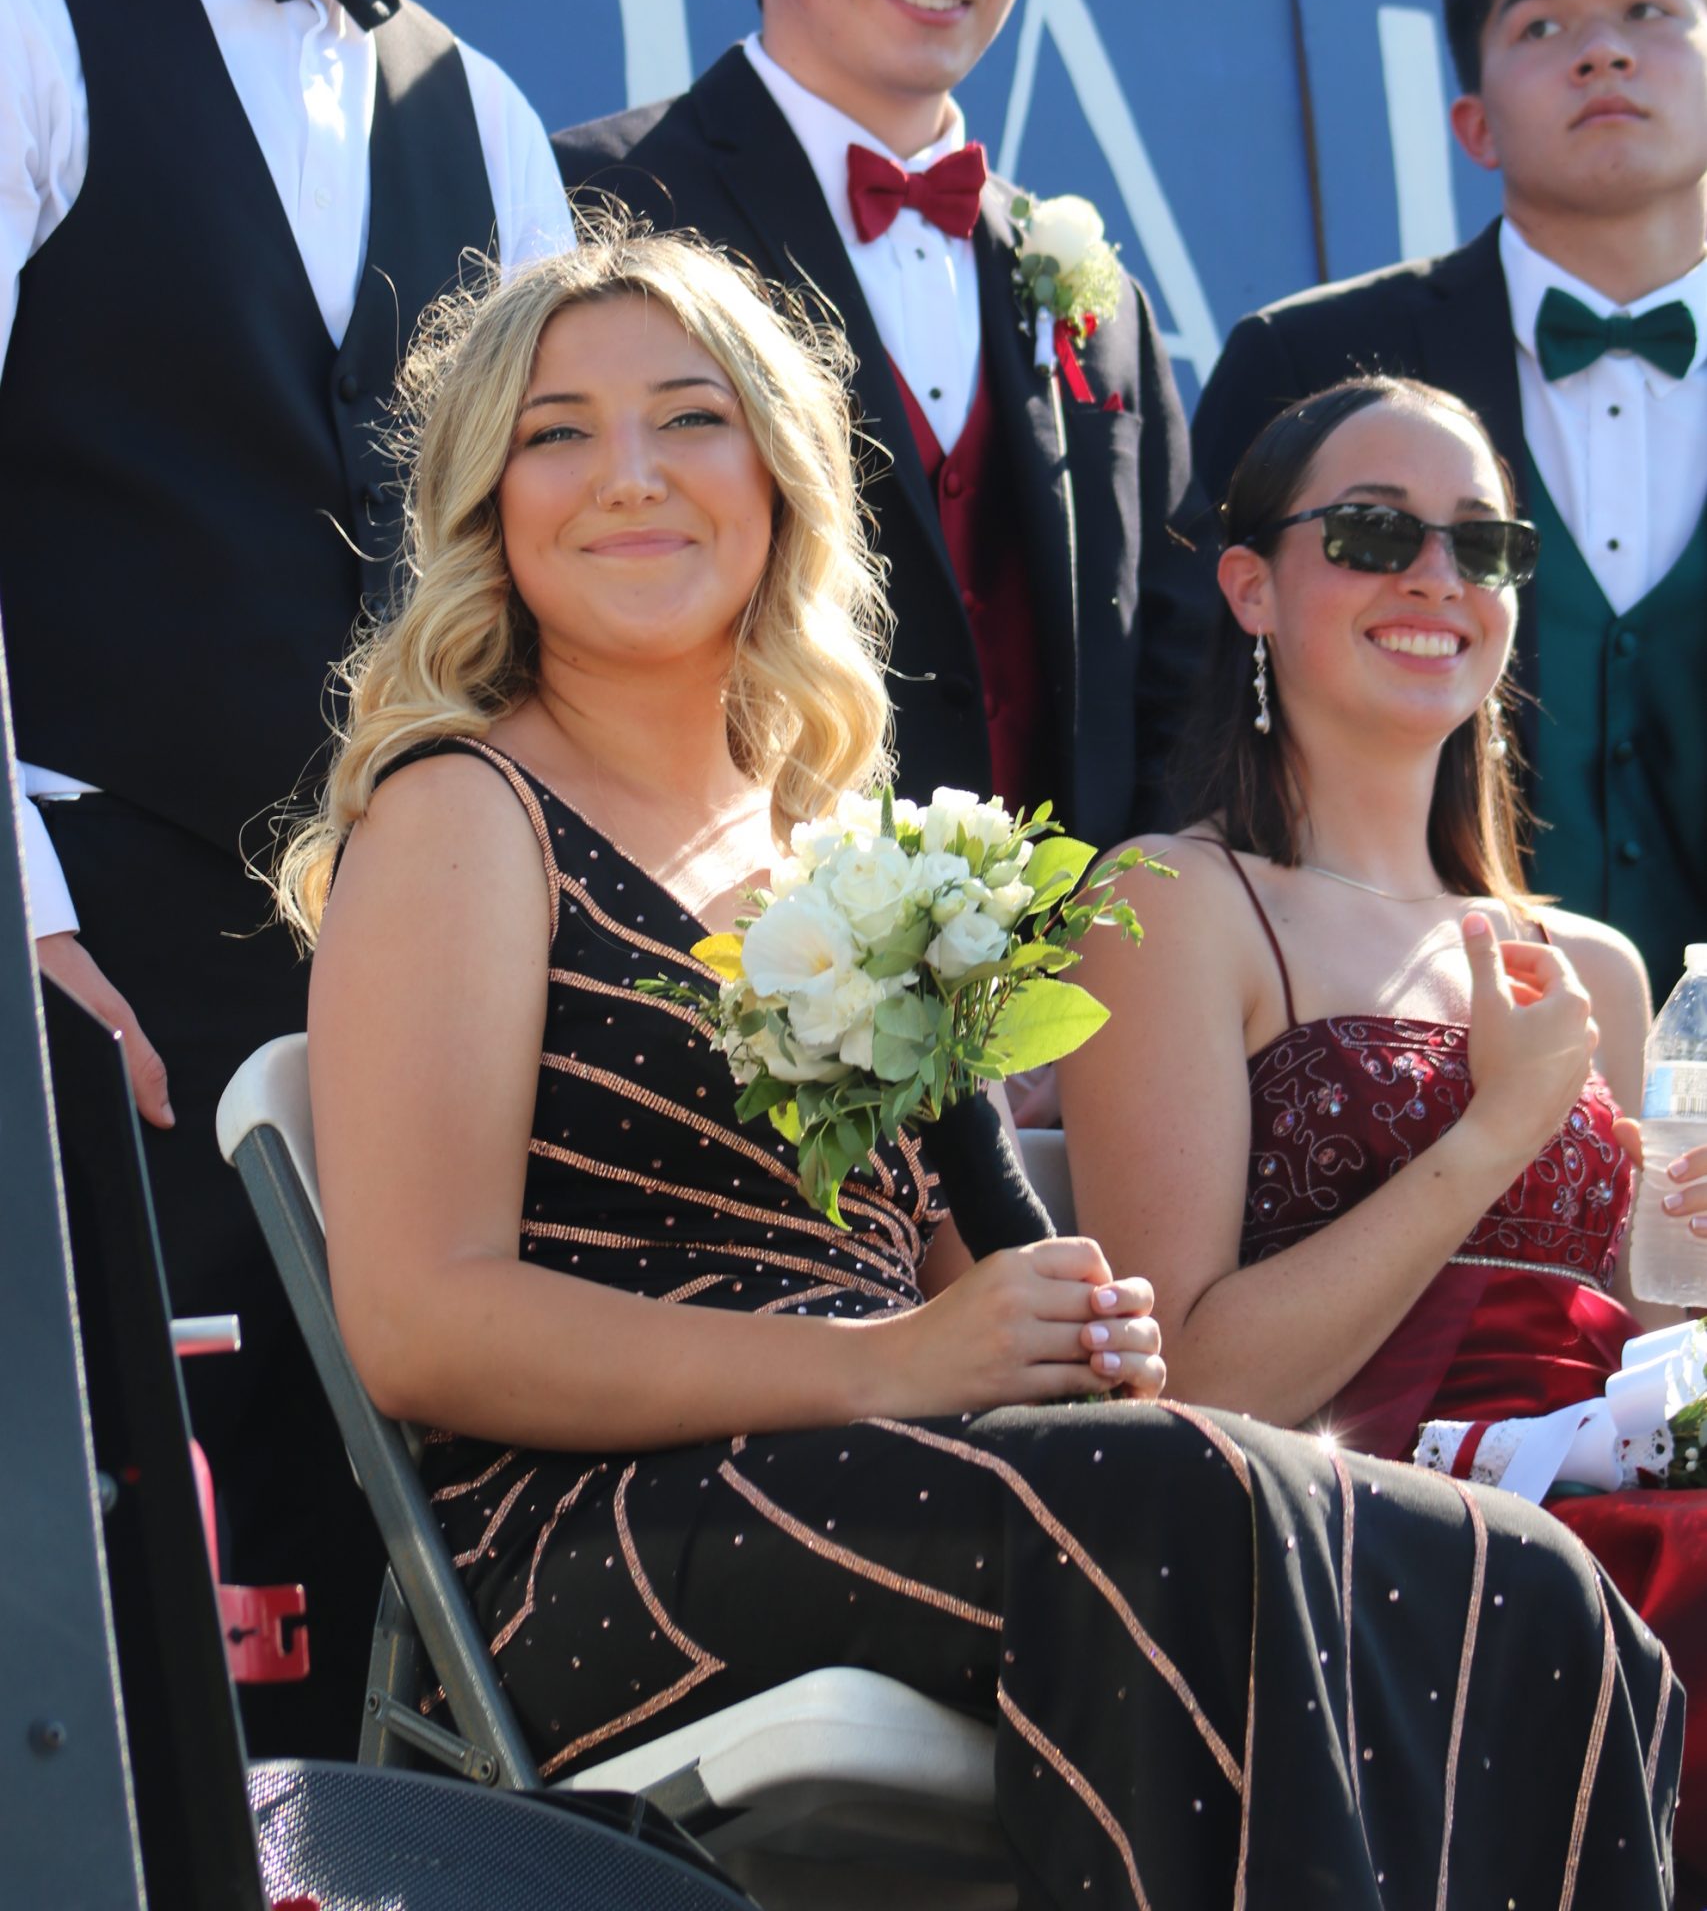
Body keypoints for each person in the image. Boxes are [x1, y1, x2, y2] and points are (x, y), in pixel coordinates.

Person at [282, 231, 1679, 1908]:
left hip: (908, 1466)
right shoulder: (463, 810)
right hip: (594, 1538)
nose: (628, 477)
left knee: (1521, 1577)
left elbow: (972, 1275)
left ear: (782, 476)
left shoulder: (835, 848)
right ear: (486, 501)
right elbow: (423, 1329)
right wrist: (893, 1363)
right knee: (1178, 1500)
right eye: (555, 432)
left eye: (690, 419)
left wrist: (1056, 1329)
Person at [0, 0, 572, 1754]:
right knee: (109, 1653)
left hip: (431, 1019)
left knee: (384, 1645)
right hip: (89, 963)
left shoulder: (500, 122)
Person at [1060, 372, 1707, 1888]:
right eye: (1370, 532)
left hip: (1614, 1507)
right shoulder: (1165, 903)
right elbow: (1191, 1383)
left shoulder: (1594, 964)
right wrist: (1489, 1137)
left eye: (1479, 547)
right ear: (1247, 588)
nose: (1435, 578)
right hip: (1361, 1548)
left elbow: (1644, 1348)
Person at [553, 0, 1208, 859]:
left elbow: (1172, 659)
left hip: (1067, 1001)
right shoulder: (598, 207)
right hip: (717, 959)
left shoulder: (1095, 296)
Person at [1191, 0, 1707, 1006]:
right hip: (1399, 1057)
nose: (1603, 51)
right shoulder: (1302, 359)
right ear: (1472, 120)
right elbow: (1197, 703)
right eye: (1542, 23)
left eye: (1649, 9)